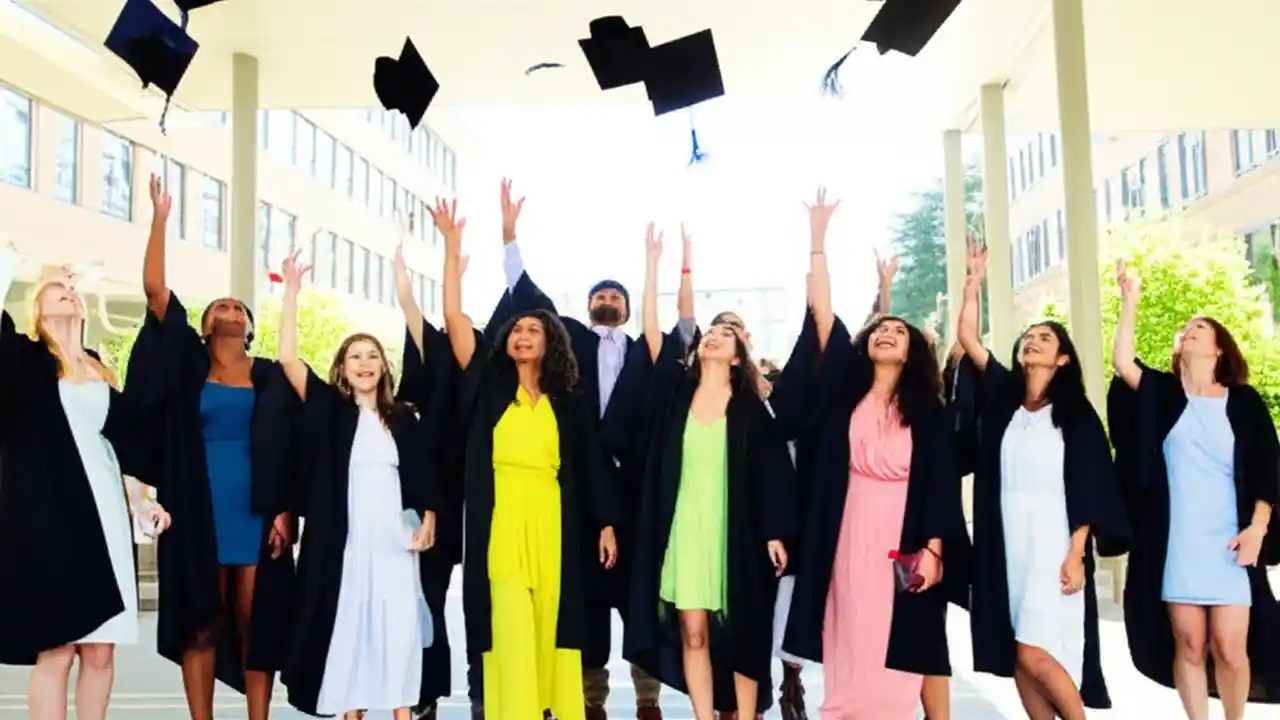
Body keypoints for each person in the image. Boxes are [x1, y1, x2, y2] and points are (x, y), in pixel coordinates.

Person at [493, 179, 686, 720]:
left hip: (636, 488)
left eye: (615, 297)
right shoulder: (569, 339)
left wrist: (658, 266)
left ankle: (648, 696)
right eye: (600, 296)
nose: (607, 302)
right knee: (585, 592)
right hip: (576, 488)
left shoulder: (648, 351)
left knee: (641, 589)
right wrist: (510, 236)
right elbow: (528, 297)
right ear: (588, 306)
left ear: (626, 309)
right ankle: (590, 696)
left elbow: (675, 327)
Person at [428, 197, 621, 720]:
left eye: (533, 330)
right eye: (516, 330)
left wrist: (604, 524)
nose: (522, 335)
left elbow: (589, 465)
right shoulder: (490, 386)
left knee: (552, 617)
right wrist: (452, 248)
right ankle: (508, 709)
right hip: (502, 520)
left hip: (555, 521)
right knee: (509, 617)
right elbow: (454, 317)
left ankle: (548, 707)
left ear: (550, 341)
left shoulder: (567, 399)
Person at [779, 188, 966, 720]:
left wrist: (933, 549)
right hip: (847, 528)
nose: (887, 333)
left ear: (912, 352)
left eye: (897, 332)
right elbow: (821, 316)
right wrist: (818, 240)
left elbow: (939, 485)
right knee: (850, 632)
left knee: (899, 641)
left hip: (904, 537)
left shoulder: (928, 412)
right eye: (880, 329)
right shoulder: (845, 395)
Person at [603, 224, 795, 720]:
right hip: (686, 530)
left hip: (736, 531)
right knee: (693, 632)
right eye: (710, 333)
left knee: (744, 633)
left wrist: (775, 532)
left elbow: (774, 471)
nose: (713, 336)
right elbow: (657, 329)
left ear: (738, 356)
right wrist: (657, 266)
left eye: (725, 335)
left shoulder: (751, 408)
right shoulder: (675, 398)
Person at [126, 175, 297, 720]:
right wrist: (160, 218)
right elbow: (155, 289)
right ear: (203, 326)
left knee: (254, 621)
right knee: (200, 620)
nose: (228, 308)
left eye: (237, 307)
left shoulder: (270, 378)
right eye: (218, 305)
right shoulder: (187, 368)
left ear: (248, 326)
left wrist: (286, 509)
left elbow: (294, 447)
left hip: (256, 512)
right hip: (196, 509)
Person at [960, 243, 1130, 719]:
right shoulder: (1004, 405)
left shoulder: (1074, 416)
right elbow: (970, 339)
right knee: (1019, 650)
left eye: (1044, 339)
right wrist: (974, 284)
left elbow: (1090, 483)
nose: (1031, 342)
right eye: (1028, 337)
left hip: (1054, 540)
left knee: (1038, 652)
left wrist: (1077, 552)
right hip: (1006, 541)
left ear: (1063, 360)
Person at [0, 247, 171, 720]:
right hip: (52, 520)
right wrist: (12, 267)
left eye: (72, 289)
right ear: (36, 309)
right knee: (57, 648)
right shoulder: (28, 361)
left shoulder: (98, 366)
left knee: (100, 651)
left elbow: (121, 447)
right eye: (57, 290)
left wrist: (142, 503)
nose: (69, 293)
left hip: (107, 519)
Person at [276, 249, 442, 719]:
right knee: (351, 619)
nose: (365, 363)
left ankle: (401, 711)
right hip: (345, 539)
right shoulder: (330, 411)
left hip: (394, 537)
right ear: (342, 368)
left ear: (384, 368)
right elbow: (289, 360)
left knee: (399, 623)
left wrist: (428, 516)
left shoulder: (403, 419)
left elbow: (423, 476)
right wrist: (291, 293)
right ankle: (352, 710)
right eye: (355, 356)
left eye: (373, 356)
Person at [1110, 261, 1280, 720]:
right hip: (1178, 541)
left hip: (1230, 539)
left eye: (1200, 327)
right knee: (1189, 642)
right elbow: (1123, 362)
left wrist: (1258, 529)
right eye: (1186, 328)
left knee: (1230, 647)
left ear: (1219, 348)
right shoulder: (1163, 395)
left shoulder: (1242, 401)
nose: (1189, 331)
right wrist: (1130, 301)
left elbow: (1268, 469)